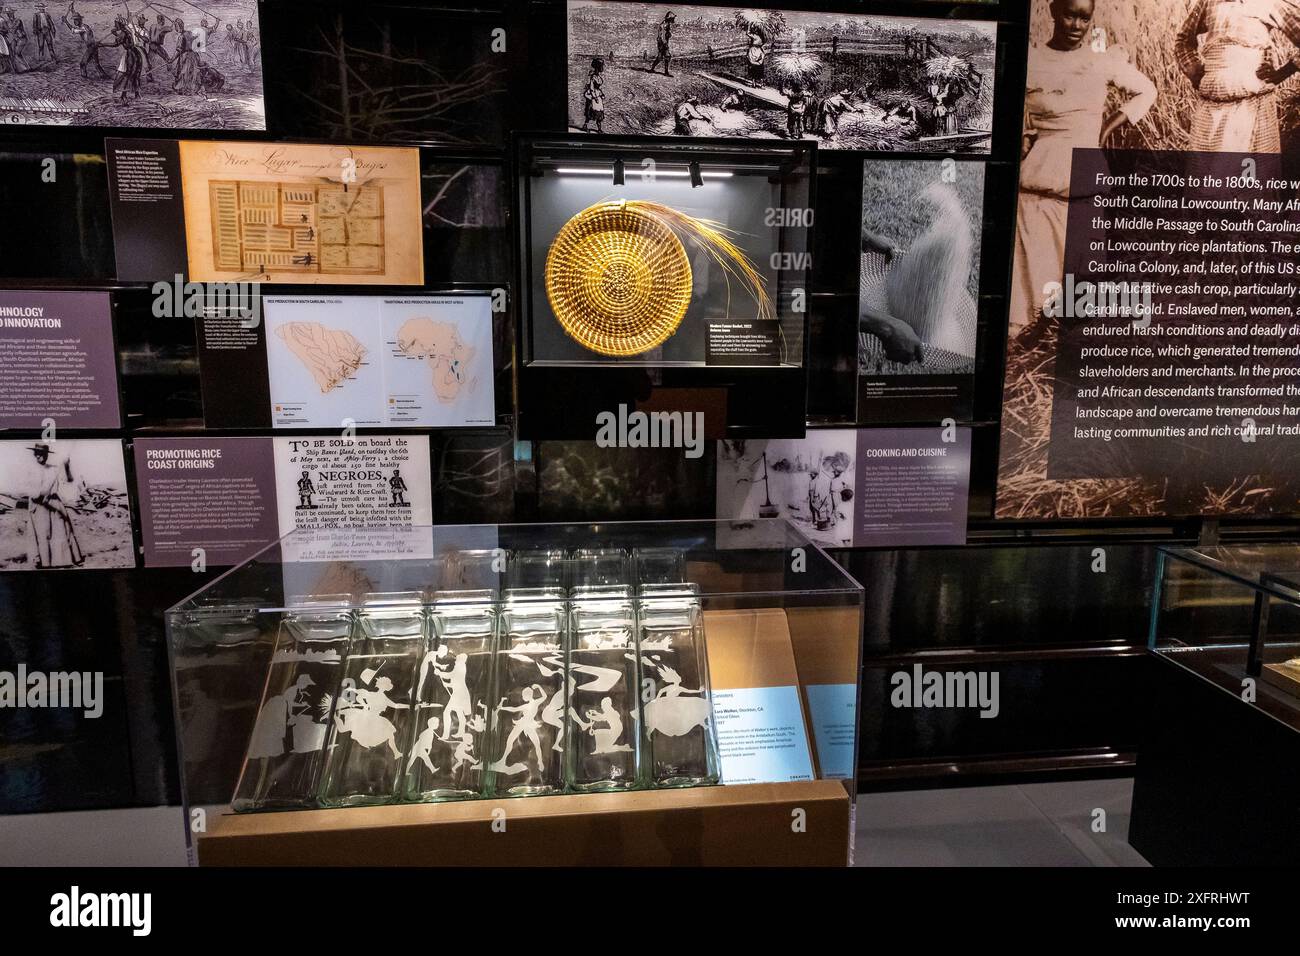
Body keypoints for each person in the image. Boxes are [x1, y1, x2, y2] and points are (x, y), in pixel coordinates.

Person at [1009, 0, 1155, 336]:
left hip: (1085, 180)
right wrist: (1026, 135)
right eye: (1069, 15)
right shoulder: (1031, 61)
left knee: (1080, 291)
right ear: (1053, 13)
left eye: (1084, 18)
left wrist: (1106, 129)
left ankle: (1070, 319)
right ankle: (1031, 321)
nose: (1076, 25)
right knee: (1026, 302)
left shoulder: (1099, 62)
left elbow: (1148, 91)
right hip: (1038, 183)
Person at [1176, 0, 1300, 153]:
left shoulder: (1269, 3)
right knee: (1207, 173)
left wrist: (1283, 72)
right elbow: (1183, 41)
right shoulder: (1209, 2)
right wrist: (1195, 72)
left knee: (1253, 171)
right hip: (1210, 109)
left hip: (1253, 106)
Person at [14, 443, 85, 569]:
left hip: (54, 504)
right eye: (36, 453)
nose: (39, 456)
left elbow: (69, 480)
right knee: (43, 534)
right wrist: (38, 493)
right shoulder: (29, 470)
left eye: (41, 454)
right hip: (39, 505)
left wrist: (67, 465)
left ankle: (64, 560)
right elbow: (23, 488)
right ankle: (44, 562)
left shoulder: (53, 469)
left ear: (47, 455)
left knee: (61, 531)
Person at [98, 16, 142, 102]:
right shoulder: (126, 31)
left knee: (125, 74)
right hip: (136, 53)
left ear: (120, 24)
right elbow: (123, 40)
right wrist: (116, 34)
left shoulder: (123, 33)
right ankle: (137, 94)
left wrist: (102, 44)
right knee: (134, 74)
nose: (115, 25)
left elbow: (115, 44)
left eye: (116, 24)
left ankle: (124, 95)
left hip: (130, 55)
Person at [63, 8, 106, 79]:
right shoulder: (83, 26)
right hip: (93, 46)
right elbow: (75, 27)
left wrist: (66, 22)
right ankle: (104, 76)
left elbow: (73, 30)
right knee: (96, 64)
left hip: (91, 47)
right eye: (74, 20)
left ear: (80, 20)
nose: (75, 22)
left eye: (76, 20)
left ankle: (84, 79)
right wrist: (72, 10)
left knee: (83, 64)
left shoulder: (83, 28)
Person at [581, 56, 605, 132]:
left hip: (598, 95)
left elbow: (598, 88)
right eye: (601, 66)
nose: (603, 68)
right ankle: (585, 126)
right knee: (591, 112)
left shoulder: (598, 77)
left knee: (599, 113)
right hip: (592, 97)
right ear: (598, 67)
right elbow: (591, 88)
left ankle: (599, 129)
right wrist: (595, 98)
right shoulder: (593, 77)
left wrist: (601, 94)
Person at [648, 9, 674, 76]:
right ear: (669, 18)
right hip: (662, 43)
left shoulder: (667, 24)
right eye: (672, 18)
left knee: (660, 57)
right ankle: (665, 72)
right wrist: (665, 43)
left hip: (662, 42)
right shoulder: (663, 25)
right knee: (666, 56)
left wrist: (669, 35)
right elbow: (661, 35)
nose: (673, 20)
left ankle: (653, 69)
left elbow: (666, 34)